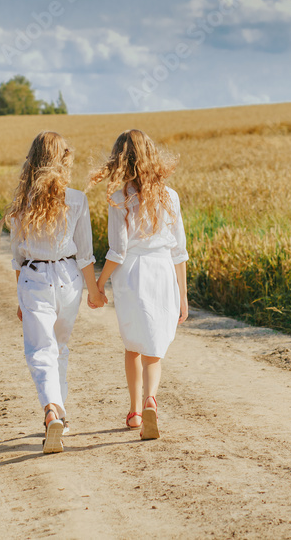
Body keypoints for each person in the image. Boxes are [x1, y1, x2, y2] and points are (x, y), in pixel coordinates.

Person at [0, 131, 107, 454]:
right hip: (68, 279)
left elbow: (18, 256)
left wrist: (21, 296)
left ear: (33, 161)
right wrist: (94, 292)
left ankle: (50, 410)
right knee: (58, 347)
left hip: (33, 279)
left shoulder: (21, 204)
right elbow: (85, 255)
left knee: (39, 350)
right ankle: (60, 411)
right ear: (63, 161)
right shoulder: (76, 199)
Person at [90, 130, 188, 440]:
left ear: (119, 160)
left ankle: (134, 412)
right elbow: (179, 251)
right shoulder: (169, 196)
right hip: (162, 272)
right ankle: (151, 400)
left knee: (132, 344)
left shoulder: (119, 197)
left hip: (131, 274)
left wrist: (98, 283)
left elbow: (117, 251)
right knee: (153, 347)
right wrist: (183, 296)